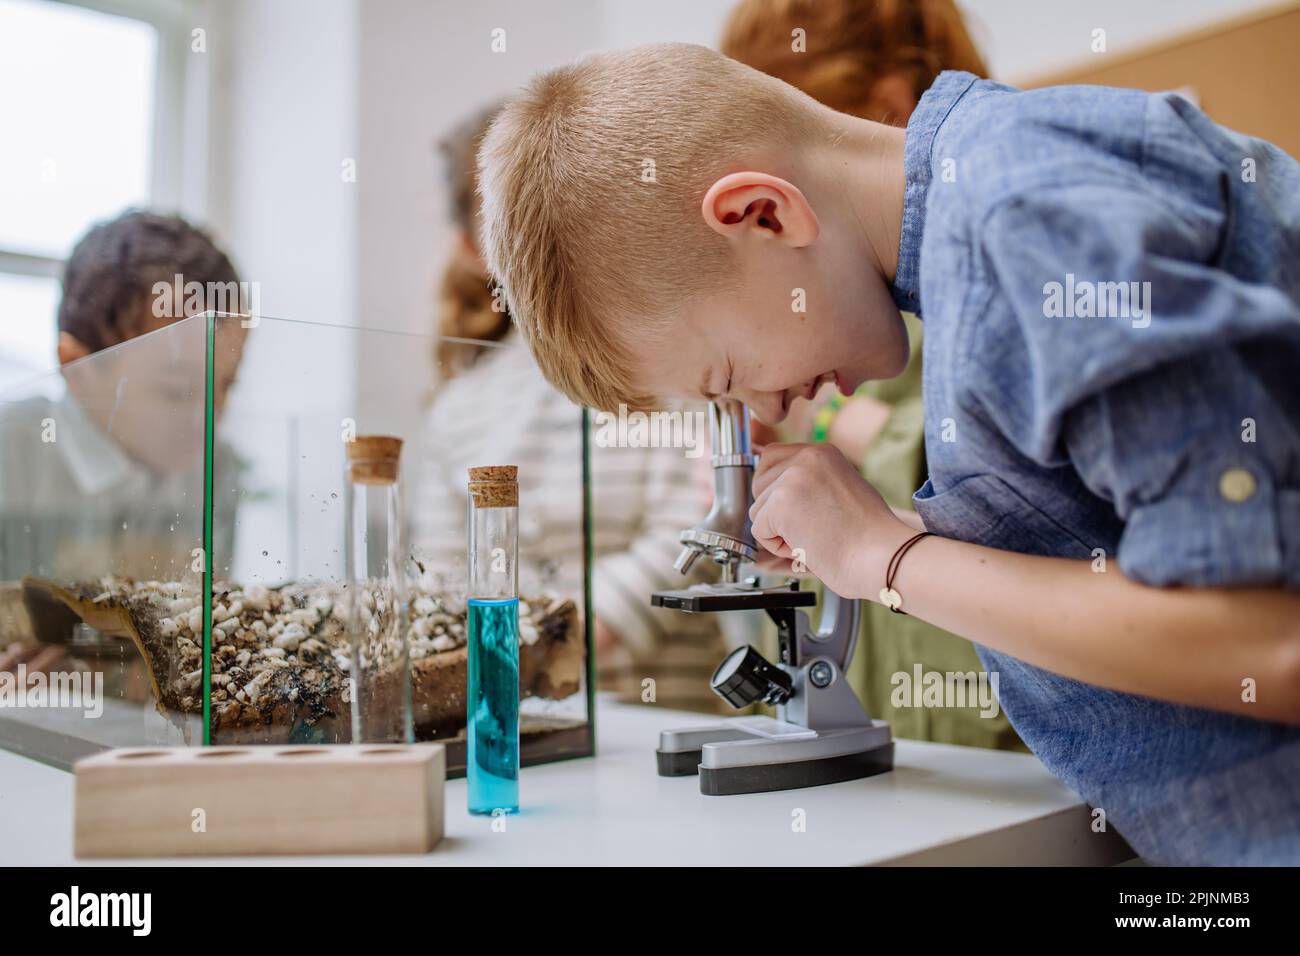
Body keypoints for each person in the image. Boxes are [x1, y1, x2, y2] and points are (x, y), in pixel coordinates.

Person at [476, 44, 1300, 864]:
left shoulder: (1026, 218)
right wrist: (870, 536)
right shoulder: (975, 243)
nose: (764, 409)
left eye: (728, 376)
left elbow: (1270, 642)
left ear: (763, 214)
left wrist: (885, 555)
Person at [720, 0, 1023, 751]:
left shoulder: (1009, 260)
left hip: (1001, 720)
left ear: (888, 108)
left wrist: (852, 442)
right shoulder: (859, 300)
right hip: (905, 698)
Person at [414, 105, 731, 713]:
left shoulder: (674, 357)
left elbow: (695, 527)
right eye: (513, 218)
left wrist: (558, 642)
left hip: (672, 727)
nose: (544, 233)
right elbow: (442, 578)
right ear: (470, 250)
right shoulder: (459, 409)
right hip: (519, 724)